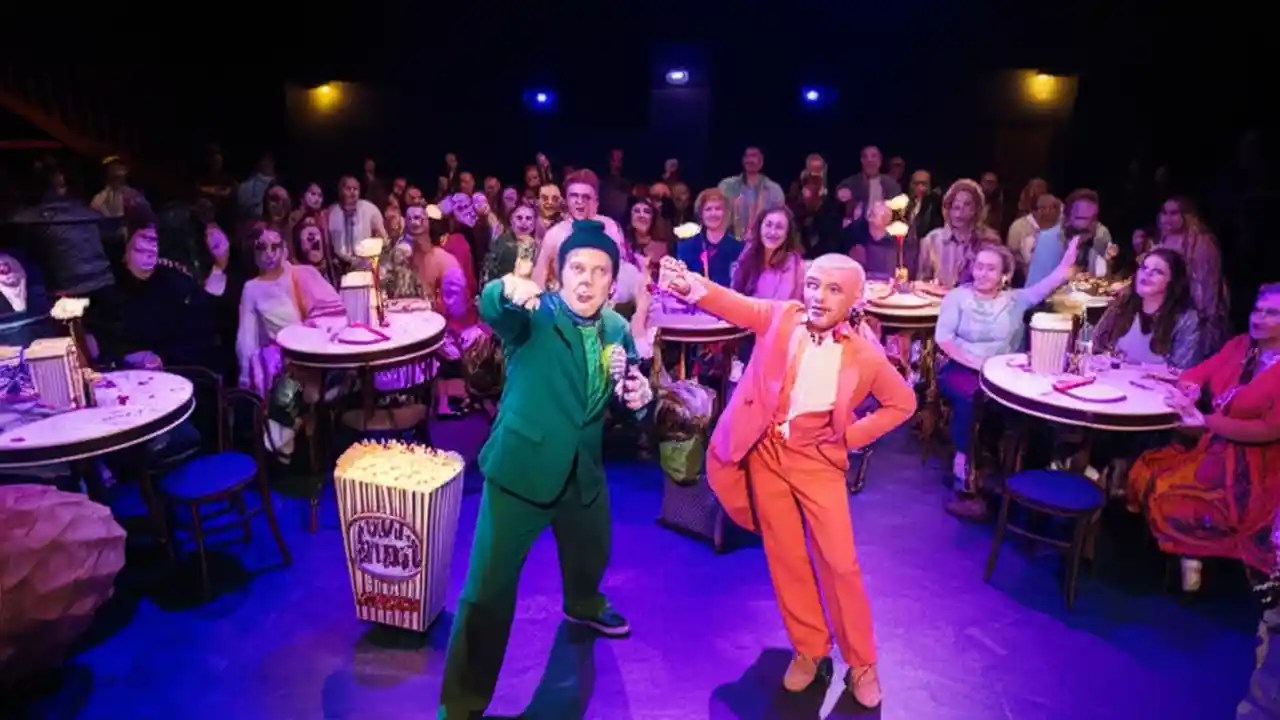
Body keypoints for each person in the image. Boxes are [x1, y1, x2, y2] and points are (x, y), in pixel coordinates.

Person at [658, 253, 916, 709]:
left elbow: (902, 403)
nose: (818, 297)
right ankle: (810, 648)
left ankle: (862, 662)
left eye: (833, 289)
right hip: (768, 455)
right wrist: (689, 285)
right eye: (814, 284)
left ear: (856, 299)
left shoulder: (865, 353)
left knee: (840, 563)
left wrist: (849, 437)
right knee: (786, 557)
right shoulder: (782, 317)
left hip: (818, 458)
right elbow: (733, 303)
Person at [438, 220, 654, 719]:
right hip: (522, 472)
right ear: (558, 275)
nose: (587, 279)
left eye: (600, 272)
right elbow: (496, 311)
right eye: (577, 267)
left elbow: (626, 397)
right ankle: (461, 704)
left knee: (591, 551)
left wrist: (640, 400)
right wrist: (503, 290)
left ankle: (583, 604)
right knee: (486, 595)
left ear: (612, 282)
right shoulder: (535, 316)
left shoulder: (617, 329)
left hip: (583, 473)